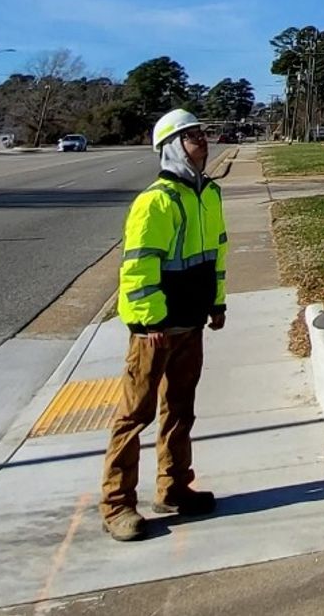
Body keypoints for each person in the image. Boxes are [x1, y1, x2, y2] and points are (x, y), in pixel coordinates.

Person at [100, 108, 227, 542]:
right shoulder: (155, 201)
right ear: (171, 147)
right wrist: (148, 319)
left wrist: (217, 303)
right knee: (135, 416)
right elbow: (138, 265)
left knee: (180, 411)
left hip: (191, 323)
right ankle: (117, 504)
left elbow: (217, 254)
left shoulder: (209, 195)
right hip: (155, 330)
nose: (201, 140)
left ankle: (173, 488)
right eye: (191, 136)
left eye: (202, 133)